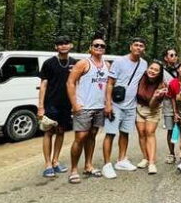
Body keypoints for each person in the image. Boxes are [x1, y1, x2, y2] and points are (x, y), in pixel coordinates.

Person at [66, 35, 110, 184]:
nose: (99, 47)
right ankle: (73, 169)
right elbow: (70, 83)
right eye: (96, 45)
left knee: (92, 136)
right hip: (84, 107)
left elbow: (109, 85)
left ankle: (88, 165)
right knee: (80, 138)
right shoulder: (83, 63)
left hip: (99, 107)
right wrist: (74, 104)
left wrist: (107, 104)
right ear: (91, 48)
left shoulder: (107, 65)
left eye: (102, 46)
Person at [102, 37, 148, 179]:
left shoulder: (144, 64)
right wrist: (108, 103)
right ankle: (107, 164)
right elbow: (110, 83)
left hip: (131, 105)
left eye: (141, 45)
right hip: (116, 104)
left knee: (125, 133)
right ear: (130, 47)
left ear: (143, 49)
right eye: (136, 45)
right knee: (110, 133)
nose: (138, 48)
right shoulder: (120, 61)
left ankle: (121, 160)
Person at [38, 36, 76, 178]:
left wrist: (75, 104)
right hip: (51, 103)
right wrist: (41, 107)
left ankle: (55, 161)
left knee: (60, 131)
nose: (63, 46)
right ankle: (47, 164)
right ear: (56, 47)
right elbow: (43, 85)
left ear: (71, 45)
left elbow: (77, 84)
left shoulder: (74, 63)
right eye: (60, 44)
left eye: (66, 43)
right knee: (48, 132)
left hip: (66, 104)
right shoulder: (49, 63)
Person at [135, 61, 168, 175]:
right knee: (141, 133)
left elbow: (152, 105)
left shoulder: (161, 85)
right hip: (139, 107)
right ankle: (145, 158)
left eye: (156, 70)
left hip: (153, 109)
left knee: (150, 133)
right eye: (151, 68)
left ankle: (152, 163)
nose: (152, 71)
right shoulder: (141, 76)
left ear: (159, 73)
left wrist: (155, 96)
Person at [162, 48, 179, 164]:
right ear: (166, 58)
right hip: (168, 104)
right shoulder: (161, 71)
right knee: (170, 129)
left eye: (175, 55)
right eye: (171, 55)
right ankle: (172, 153)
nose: (174, 57)